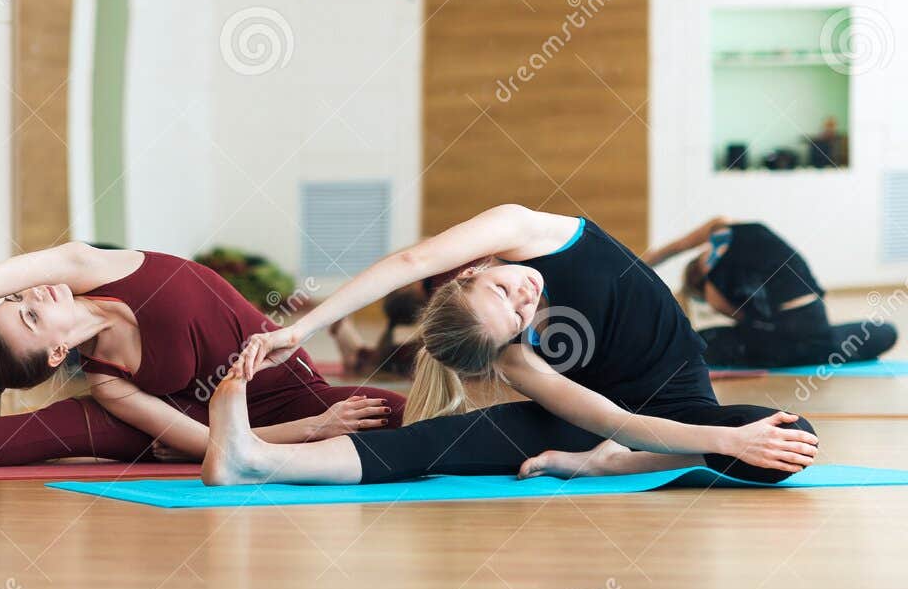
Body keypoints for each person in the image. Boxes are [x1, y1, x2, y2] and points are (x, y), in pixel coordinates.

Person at [203, 205, 819, 487]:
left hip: (677, 401)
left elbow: (412, 259)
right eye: (516, 319)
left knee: (792, 436)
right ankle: (254, 460)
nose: (523, 298)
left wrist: (300, 329)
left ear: (473, 270)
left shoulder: (529, 231)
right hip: (617, 417)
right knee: (430, 445)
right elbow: (616, 418)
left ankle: (607, 464)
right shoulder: (514, 358)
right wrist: (725, 443)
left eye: (503, 290)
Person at [0, 243, 406, 470]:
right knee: (68, 424)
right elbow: (213, 445)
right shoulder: (110, 384)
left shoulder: (92, 268)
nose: (34, 296)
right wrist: (315, 431)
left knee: (400, 415)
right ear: (59, 351)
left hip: (288, 394)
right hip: (231, 425)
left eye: (19, 301)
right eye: (32, 318)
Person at [643, 217, 897, 368]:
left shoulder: (711, 289)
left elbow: (750, 322)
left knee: (705, 342)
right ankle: (806, 352)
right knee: (885, 332)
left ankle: (794, 354)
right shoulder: (727, 229)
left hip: (782, 337)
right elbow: (679, 245)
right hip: (816, 322)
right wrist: (650, 259)